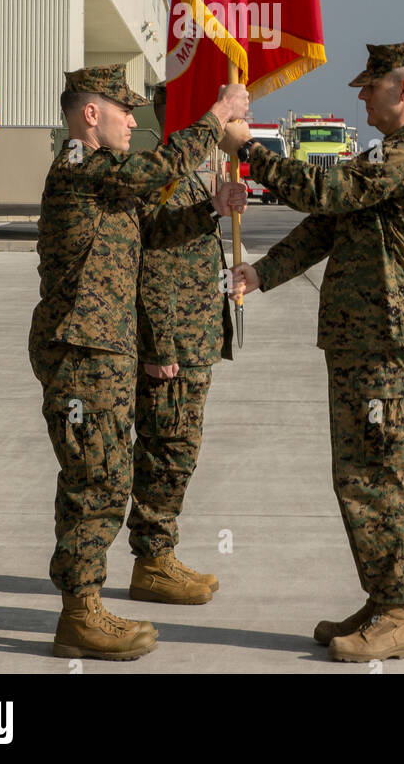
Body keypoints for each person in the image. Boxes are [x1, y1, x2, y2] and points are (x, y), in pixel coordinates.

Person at [231, 43, 404, 663]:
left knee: (375, 477)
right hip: (362, 341)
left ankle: (399, 611)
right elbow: (330, 225)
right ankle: (383, 597)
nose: (361, 96)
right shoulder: (387, 154)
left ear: (400, 90)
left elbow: (324, 191)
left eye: (370, 86)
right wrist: (263, 274)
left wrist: (250, 151)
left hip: (384, 341)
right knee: (356, 474)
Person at [29, 65, 249, 662]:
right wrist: (218, 117)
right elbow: (162, 169)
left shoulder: (106, 181)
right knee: (94, 479)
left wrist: (210, 210)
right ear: (90, 114)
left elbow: (148, 225)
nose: (135, 118)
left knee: (106, 476)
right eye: (124, 109)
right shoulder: (81, 166)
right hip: (82, 352)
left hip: (104, 350)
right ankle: (79, 612)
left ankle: (90, 599)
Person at [127, 81, 237, 605]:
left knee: (180, 451)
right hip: (174, 348)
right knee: (166, 451)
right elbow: (149, 266)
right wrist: (159, 349)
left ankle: (162, 553)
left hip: (194, 341)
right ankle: (151, 561)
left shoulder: (186, 179)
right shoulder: (158, 175)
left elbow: (173, 236)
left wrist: (213, 208)